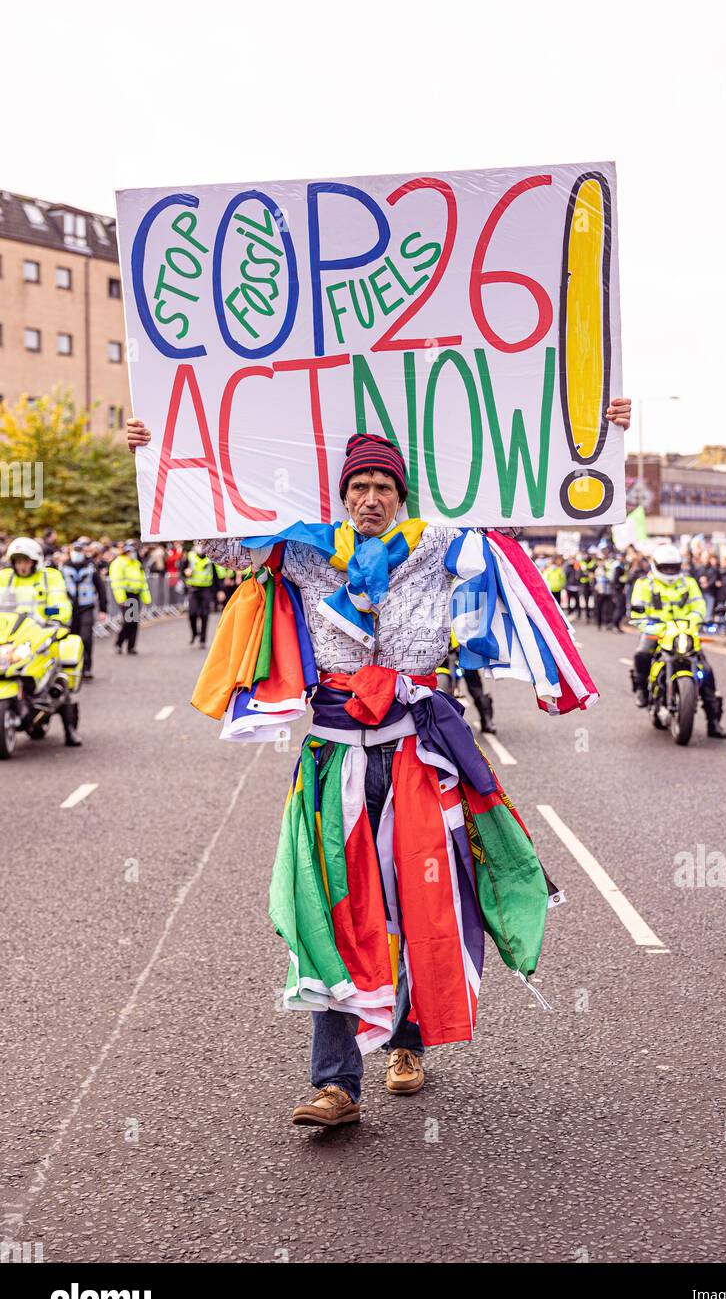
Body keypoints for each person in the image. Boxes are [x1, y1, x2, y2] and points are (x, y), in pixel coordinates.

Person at [128, 397, 632, 1128]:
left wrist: (604, 435)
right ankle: (335, 1084)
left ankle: (406, 1043)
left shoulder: (439, 547)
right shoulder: (305, 550)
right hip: (333, 761)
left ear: (401, 498)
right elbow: (222, 548)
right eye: (358, 488)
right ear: (343, 496)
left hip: (418, 758)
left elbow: (527, 507)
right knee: (331, 912)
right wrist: (154, 456)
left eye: (383, 489)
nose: (370, 498)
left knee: (417, 904)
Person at [629, 541, 726, 738]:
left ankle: (713, 722)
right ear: (656, 565)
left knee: (706, 672)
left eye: (673, 567)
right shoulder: (644, 584)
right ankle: (642, 690)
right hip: (658, 632)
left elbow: (699, 607)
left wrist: (694, 621)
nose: (669, 570)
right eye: (665, 567)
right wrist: (650, 625)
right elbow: (637, 612)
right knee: (641, 654)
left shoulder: (688, 583)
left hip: (684, 633)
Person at [0, 537, 81, 745]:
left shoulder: (50, 577)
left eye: (25, 561)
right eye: (18, 561)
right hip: (10, 634)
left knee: (58, 681)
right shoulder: (5, 577)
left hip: (41, 633)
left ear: (35, 561)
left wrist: (55, 618)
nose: (22, 566)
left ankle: (70, 729)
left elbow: (60, 603)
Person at [62, 537, 108, 679]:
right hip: (69, 609)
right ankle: (71, 667)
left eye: (80, 550)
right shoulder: (63, 567)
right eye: (75, 550)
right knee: (70, 638)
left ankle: (86, 668)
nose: (77, 553)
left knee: (86, 637)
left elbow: (100, 588)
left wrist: (103, 609)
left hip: (86, 607)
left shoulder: (90, 567)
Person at [109, 540, 151, 655]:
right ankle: (119, 643)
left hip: (135, 595)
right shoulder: (119, 563)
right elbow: (117, 583)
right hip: (126, 595)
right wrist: (121, 598)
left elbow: (143, 583)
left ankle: (131, 646)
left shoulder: (136, 564)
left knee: (134, 621)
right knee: (128, 621)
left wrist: (147, 599)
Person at [184, 542, 218, 646]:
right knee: (192, 613)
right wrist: (185, 573)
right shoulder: (190, 556)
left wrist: (219, 591)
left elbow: (215, 575)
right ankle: (194, 633)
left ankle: (203, 639)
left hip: (206, 589)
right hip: (193, 589)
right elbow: (181, 570)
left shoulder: (210, 558)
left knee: (205, 615)